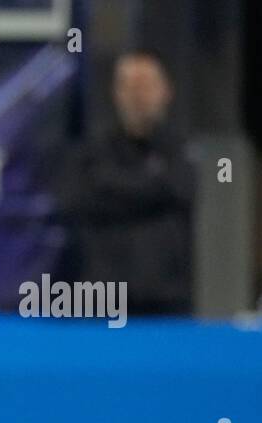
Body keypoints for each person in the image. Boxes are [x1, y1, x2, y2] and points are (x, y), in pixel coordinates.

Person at [59, 49, 194, 315]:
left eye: (146, 86)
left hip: (168, 303)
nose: (138, 97)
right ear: (116, 93)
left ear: (166, 91)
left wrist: (116, 188)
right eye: (131, 87)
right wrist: (154, 187)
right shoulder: (91, 152)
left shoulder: (182, 151)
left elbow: (180, 188)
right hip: (106, 304)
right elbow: (81, 199)